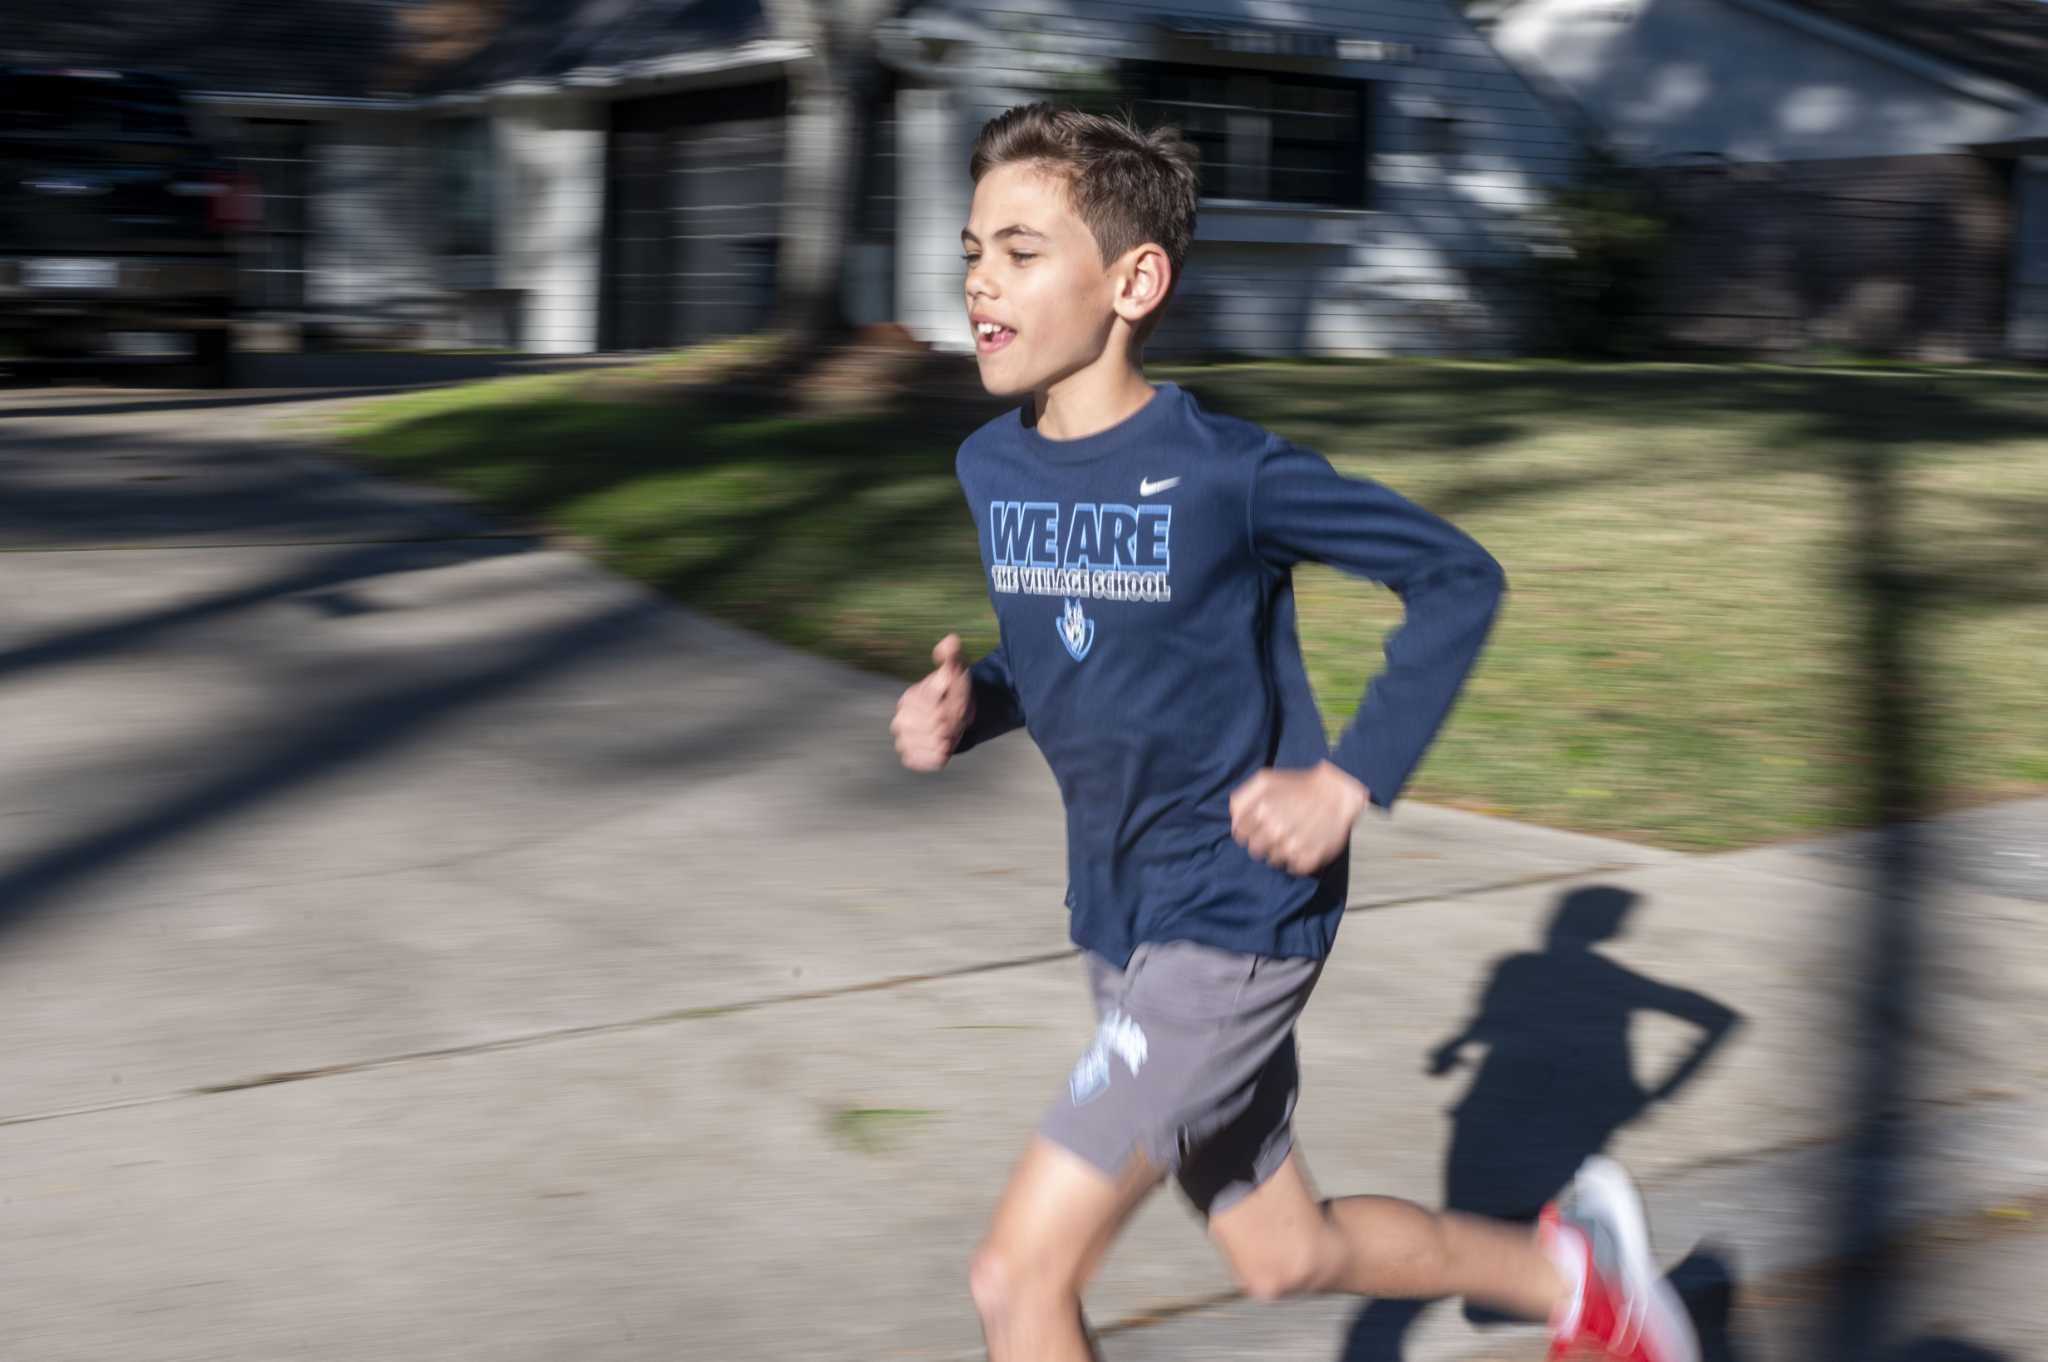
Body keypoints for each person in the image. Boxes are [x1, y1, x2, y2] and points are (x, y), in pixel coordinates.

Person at [889, 103, 1698, 1362]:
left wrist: (1346, 778)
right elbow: (1063, 649)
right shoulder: (993, 467)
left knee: (1016, 1281)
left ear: (1132, 281)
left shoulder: (1224, 472)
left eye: (1019, 249)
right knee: (1282, 1252)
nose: (978, 277)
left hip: (1235, 917)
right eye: (971, 247)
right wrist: (974, 701)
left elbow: (1453, 578)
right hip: (1118, 917)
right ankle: (1577, 1283)